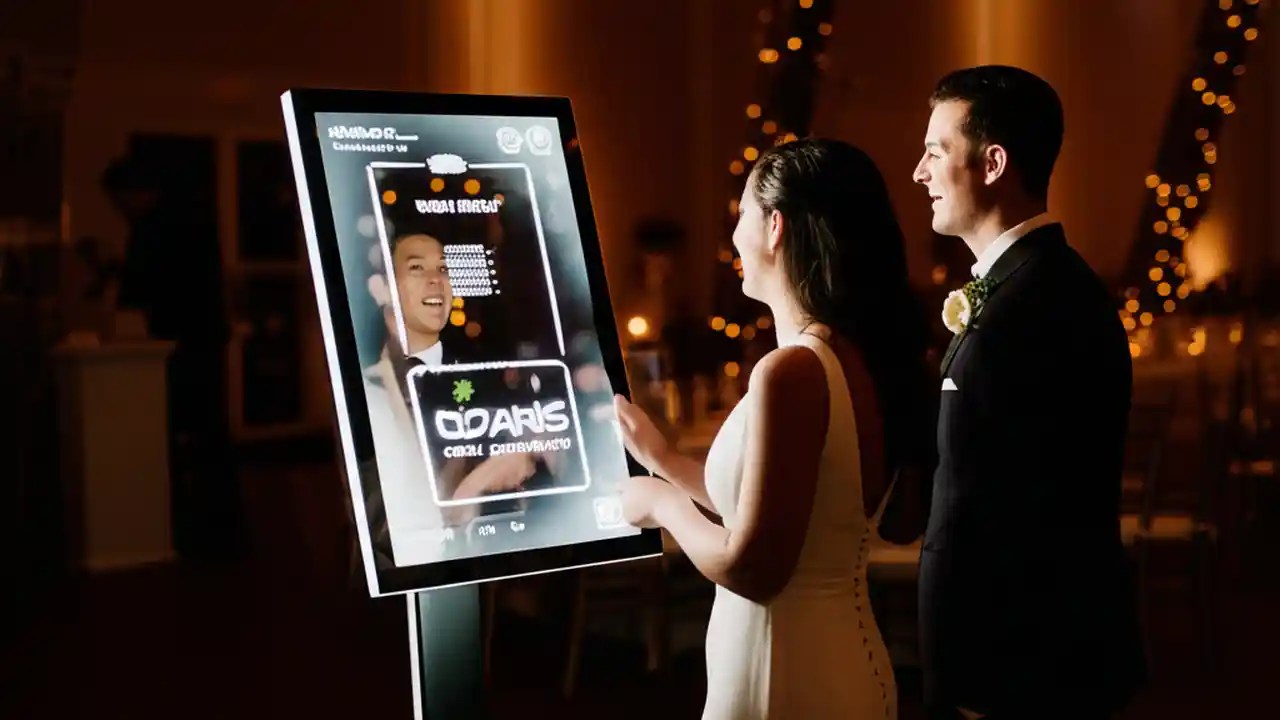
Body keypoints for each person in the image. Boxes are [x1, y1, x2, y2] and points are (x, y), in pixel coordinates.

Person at [617, 138, 930, 719]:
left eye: (742, 214)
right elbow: (786, 507)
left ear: (775, 226)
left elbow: (753, 568)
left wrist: (661, 504)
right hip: (839, 661)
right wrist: (663, 458)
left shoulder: (792, 371)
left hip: (784, 673)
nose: (735, 236)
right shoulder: (853, 358)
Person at [910, 65, 1145, 719]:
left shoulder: (1031, 306)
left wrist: (970, 681)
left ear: (993, 164)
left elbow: (1008, 509)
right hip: (1035, 656)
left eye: (935, 152)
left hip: (1023, 668)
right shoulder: (1036, 286)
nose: (920, 173)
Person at [361, 232, 538, 567]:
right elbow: (386, 526)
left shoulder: (475, 371)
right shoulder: (366, 384)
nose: (435, 281)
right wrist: (471, 488)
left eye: (443, 269)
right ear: (381, 288)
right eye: (417, 268)